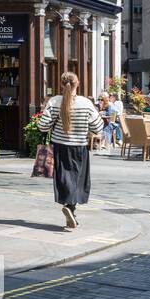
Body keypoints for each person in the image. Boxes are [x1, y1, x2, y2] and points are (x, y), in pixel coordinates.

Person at [36, 72, 103, 231]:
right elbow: (98, 127)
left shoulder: (54, 101)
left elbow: (43, 126)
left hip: (59, 147)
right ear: (77, 83)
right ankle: (70, 208)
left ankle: (69, 209)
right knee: (78, 180)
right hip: (79, 147)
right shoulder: (86, 103)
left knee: (64, 179)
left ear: (61, 84)